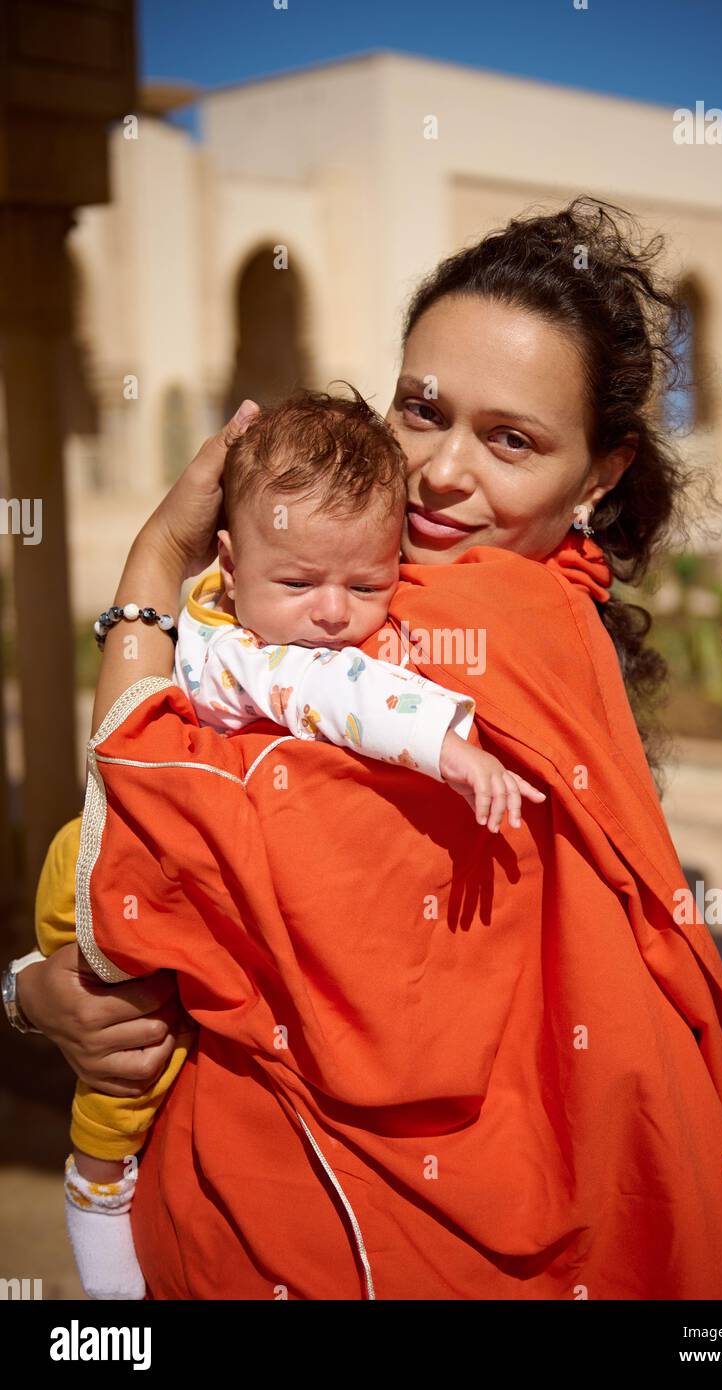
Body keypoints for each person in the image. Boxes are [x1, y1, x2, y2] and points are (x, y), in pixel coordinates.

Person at [9, 196, 722, 1300]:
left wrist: (156, 557)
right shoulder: (393, 602)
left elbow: (162, 835)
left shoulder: (475, 633)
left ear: (599, 475)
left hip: (358, 1233)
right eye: (422, 409)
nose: (442, 473)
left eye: (512, 439)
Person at [40, 386, 545, 1300]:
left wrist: (156, 553)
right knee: (125, 1051)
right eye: (302, 582)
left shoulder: (277, 603)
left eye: (365, 584)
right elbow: (345, 696)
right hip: (111, 858)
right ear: (231, 566)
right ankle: (98, 1188)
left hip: (163, 876)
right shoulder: (246, 652)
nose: (333, 613)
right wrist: (449, 746)